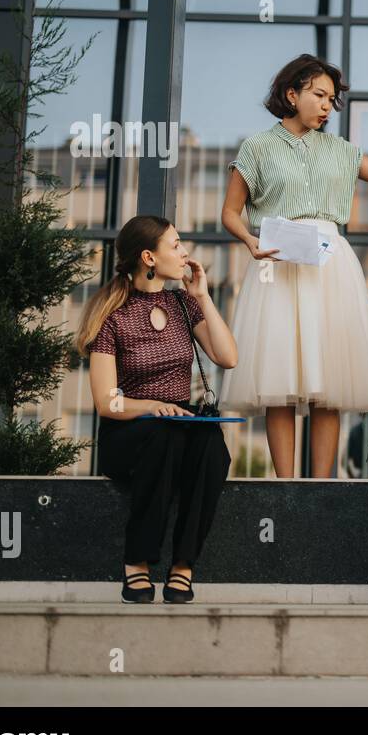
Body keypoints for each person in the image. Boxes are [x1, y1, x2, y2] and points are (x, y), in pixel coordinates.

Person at [220, 53, 368, 478]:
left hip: (330, 265)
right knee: (279, 380)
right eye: (318, 95)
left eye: (331, 99)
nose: (327, 105)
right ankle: (285, 485)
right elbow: (231, 212)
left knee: (330, 381)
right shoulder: (257, 147)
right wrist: (250, 241)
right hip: (277, 263)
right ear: (292, 94)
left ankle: (322, 488)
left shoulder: (341, 151)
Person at [74, 215, 239, 604]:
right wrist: (152, 405)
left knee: (212, 445)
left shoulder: (182, 303)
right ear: (149, 257)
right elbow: (106, 402)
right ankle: (137, 564)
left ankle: (183, 567)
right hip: (130, 428)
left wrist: (202, 296)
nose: (185, 254)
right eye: (176, 245)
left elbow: (227, 357)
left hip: (177, 423)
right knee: (163, 435)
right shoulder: (112, 315)